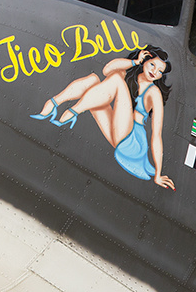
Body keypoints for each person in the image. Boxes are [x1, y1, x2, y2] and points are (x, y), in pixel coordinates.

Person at [32, 49, 177, 190]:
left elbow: (157, 135)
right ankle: (54, 103)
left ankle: (73, 111)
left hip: (132, 142)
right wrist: (134, 62)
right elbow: (107, 69)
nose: (154, 72)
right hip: (118, 130)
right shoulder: (131, 74)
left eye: (160, 71)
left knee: (116, 80)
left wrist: (158, 173)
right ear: (144, 61)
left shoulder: (154, 92)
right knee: (93, 80)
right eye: (152, 65)